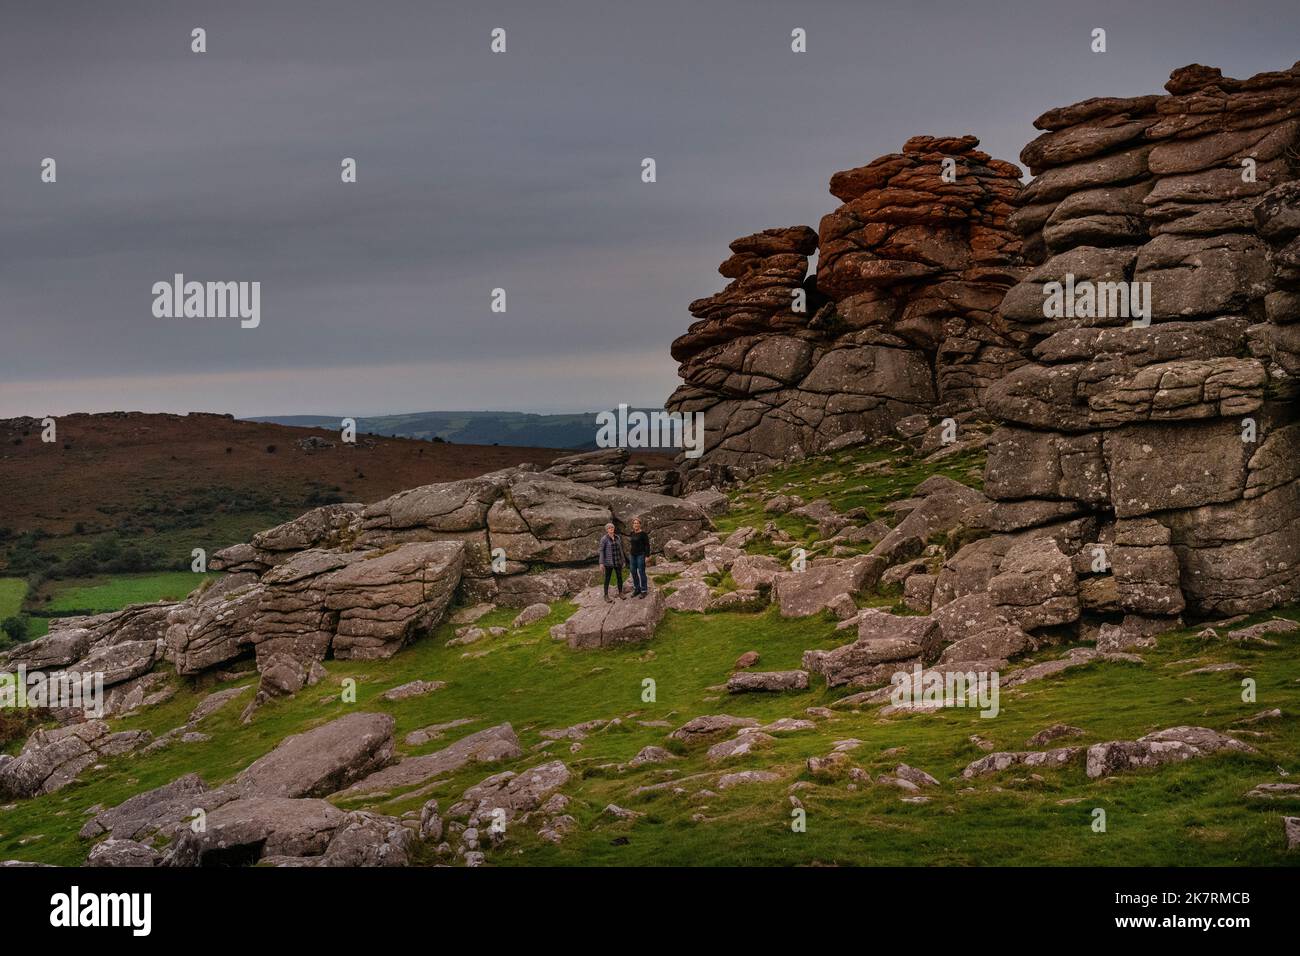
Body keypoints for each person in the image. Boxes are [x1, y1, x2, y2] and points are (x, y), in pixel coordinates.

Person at [598, 522, 625, 602]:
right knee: (607, 578)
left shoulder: (617, 537)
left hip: (617, 561)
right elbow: (601, 551)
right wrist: (601, 563)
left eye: (612, 528)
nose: (611, 529)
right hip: (608, 562)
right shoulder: (604, 539)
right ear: (607, 530)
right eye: (609, 528)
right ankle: (606, 595)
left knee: (619, 577)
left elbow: (621, 550)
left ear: (614, 528)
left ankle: (620, 592)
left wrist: (623, 560)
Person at [628, 517, 650, 598]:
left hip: (641, 555)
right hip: (632, 555)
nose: (636, 524)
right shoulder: (632, 533)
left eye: (637, 523)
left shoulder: (643, 534)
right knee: (633, 571)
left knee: (641, 572)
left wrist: (647, 556)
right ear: (633, 525)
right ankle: (637, 589)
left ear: (640, 525)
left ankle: (644, 590)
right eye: (634, 523)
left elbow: (647, 545)